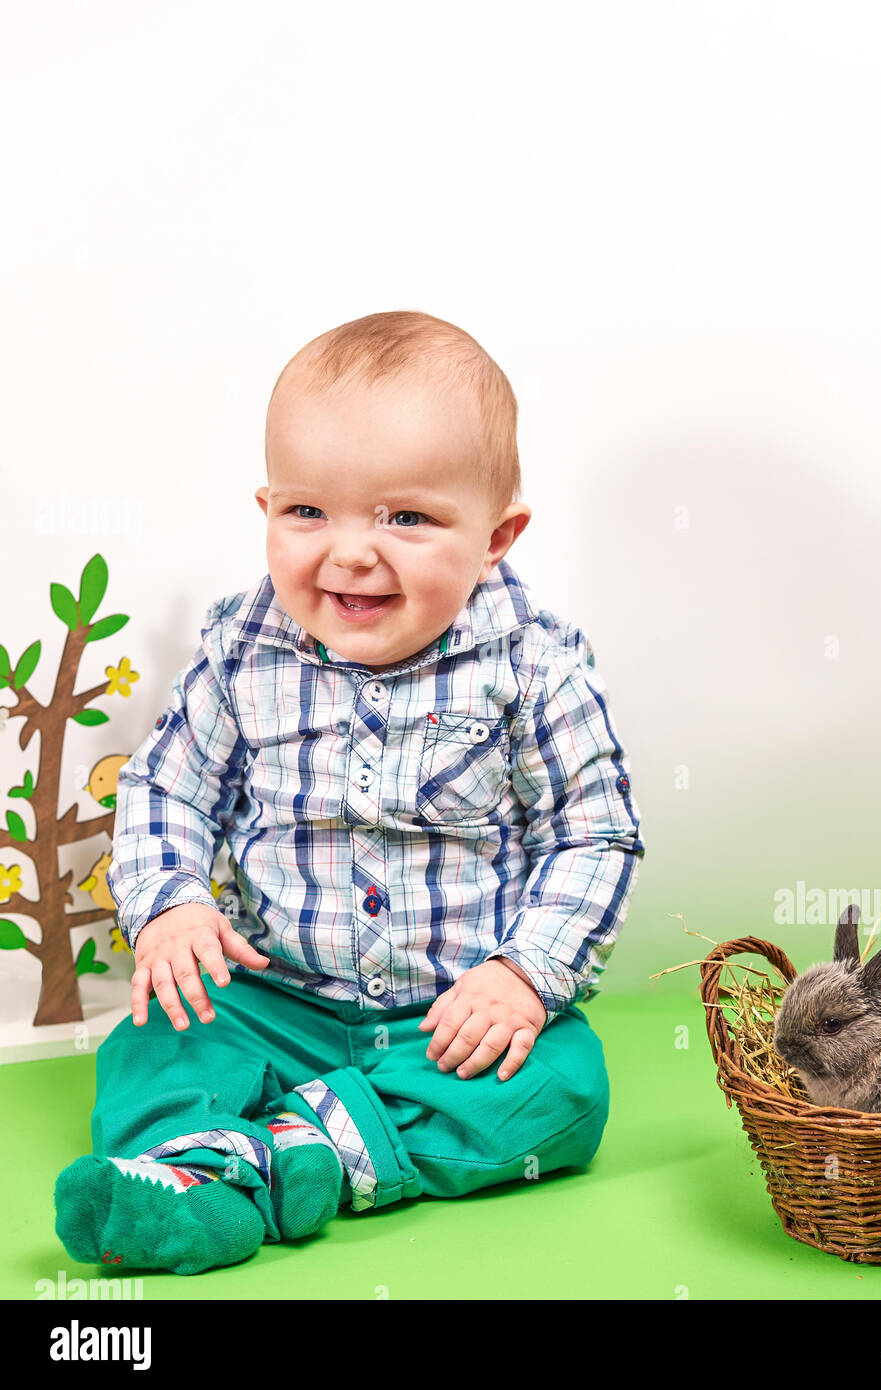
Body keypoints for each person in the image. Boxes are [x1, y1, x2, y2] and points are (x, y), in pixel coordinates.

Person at [54, 310, 645, 1275]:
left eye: (406, 518)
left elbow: (597, 833)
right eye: (308, 512)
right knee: (155, 1037)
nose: (351, 552)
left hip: (446, 1018)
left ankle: (271, 1155)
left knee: (566, 1085)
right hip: (274, 997)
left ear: (497, 536)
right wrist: (172, 904)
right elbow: (169, 787)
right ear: (268, 508)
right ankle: (207, 1173)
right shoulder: (245, 646)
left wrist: (525, 974)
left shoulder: (535, 663)